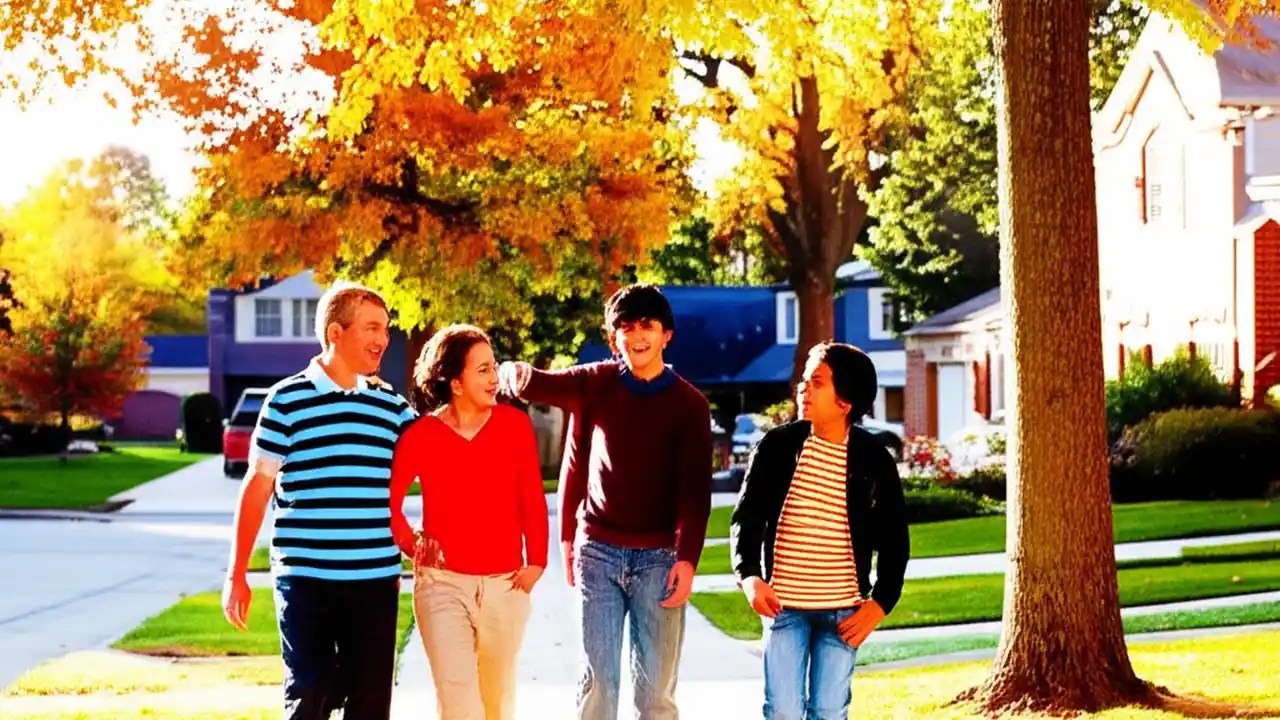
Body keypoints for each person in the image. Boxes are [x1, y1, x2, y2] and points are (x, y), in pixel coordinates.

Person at [498, 283, 712, 720]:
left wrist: (687, 559)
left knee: (655, 693)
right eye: (625, 327)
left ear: (666, 334)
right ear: (614, 337)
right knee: (598, 684)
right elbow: (539, 384)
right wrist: (514, 372)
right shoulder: (595, 382)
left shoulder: (690, 405)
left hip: (659, 559)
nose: (636, 335)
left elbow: (694, 494)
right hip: (599, 553)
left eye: (647, 326)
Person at [222, 282, 417, 720]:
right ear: (335, 332)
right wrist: (237, 574)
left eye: (385, 329)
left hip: (374, 577)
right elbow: (257, 486)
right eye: (371, 328)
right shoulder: (286, 400)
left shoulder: (392, 407)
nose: (382, 339)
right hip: (305, 577)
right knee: (310, 694)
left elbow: (441, 459)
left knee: (369, 703)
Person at [729, 342, 910, 720]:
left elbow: (895, 538)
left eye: (817, 382)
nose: (803, 389)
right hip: (784, 607)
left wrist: (879, 604)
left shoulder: (873, 457)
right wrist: (748, 576)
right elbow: (748, 516)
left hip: (844, 613)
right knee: (783, 710)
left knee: (829, 710)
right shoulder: (778, 446)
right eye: (804, 381)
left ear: (845, 401)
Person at [390, 324, 548, 720]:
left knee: (495, 704)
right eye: (482, 370)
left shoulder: (514, 426)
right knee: (459, 699)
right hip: (442, 586)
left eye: (494, 367)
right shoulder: (421, 435)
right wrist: (411, 543)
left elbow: (531, 496)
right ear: (455, 382)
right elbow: (388, 500)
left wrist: (537, 562)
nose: (495, 378)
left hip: (505, 584)